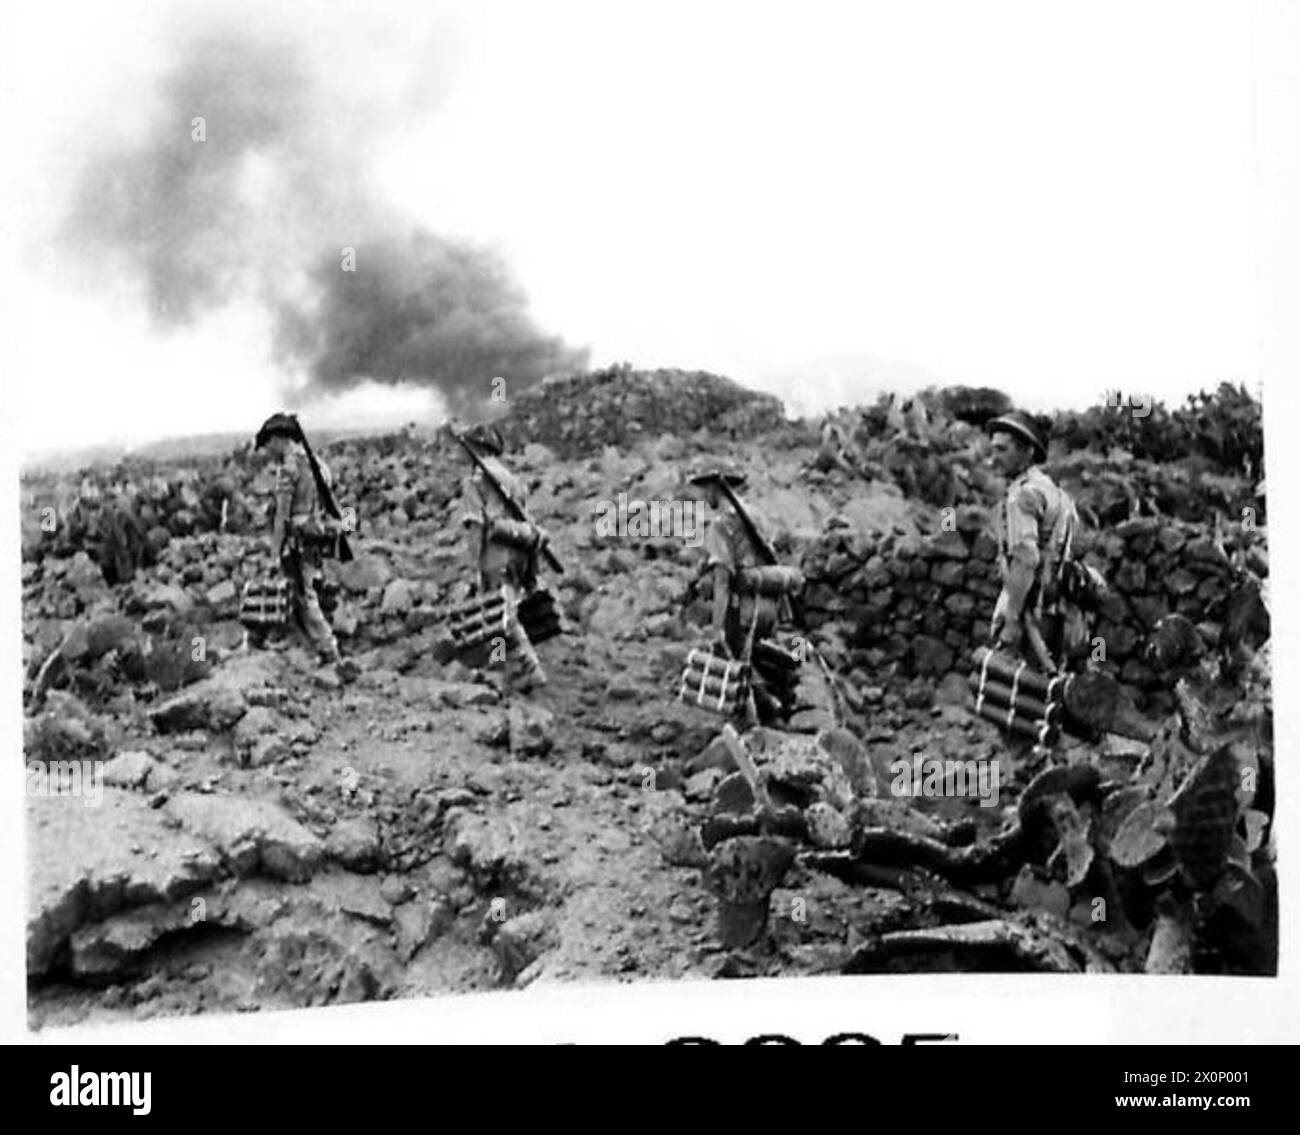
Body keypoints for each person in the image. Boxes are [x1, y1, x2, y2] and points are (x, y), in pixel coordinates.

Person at [986, 410, 1085, 673]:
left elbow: (1026, 559)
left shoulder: (1023, 495)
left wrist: (1012, 620)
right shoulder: (1056, 492)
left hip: (1031, 611)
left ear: (1027, 451)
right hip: (1056, 611)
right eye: (993, 449)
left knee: (1014, 689)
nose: (993, 458)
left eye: (1002, 450)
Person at [457, 423, 548, 686]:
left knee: (503, 617)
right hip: (519, 555)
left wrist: (475, 564)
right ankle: (501, 666)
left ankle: (531, 668)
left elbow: (476, 527)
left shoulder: (475, 481)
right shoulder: (510, 479)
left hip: (496, 555)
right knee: (503, 614)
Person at [254, 413, 345, 667]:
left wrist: (274, 554)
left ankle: (329, 650)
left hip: (299, 538)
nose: (268, 451)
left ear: (278, 439)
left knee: (304, 597)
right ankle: (314, 648)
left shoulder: (289, 468)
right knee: (310, 589)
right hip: (317, 535)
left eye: (268, 443)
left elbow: (283, 515)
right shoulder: (318, 464)